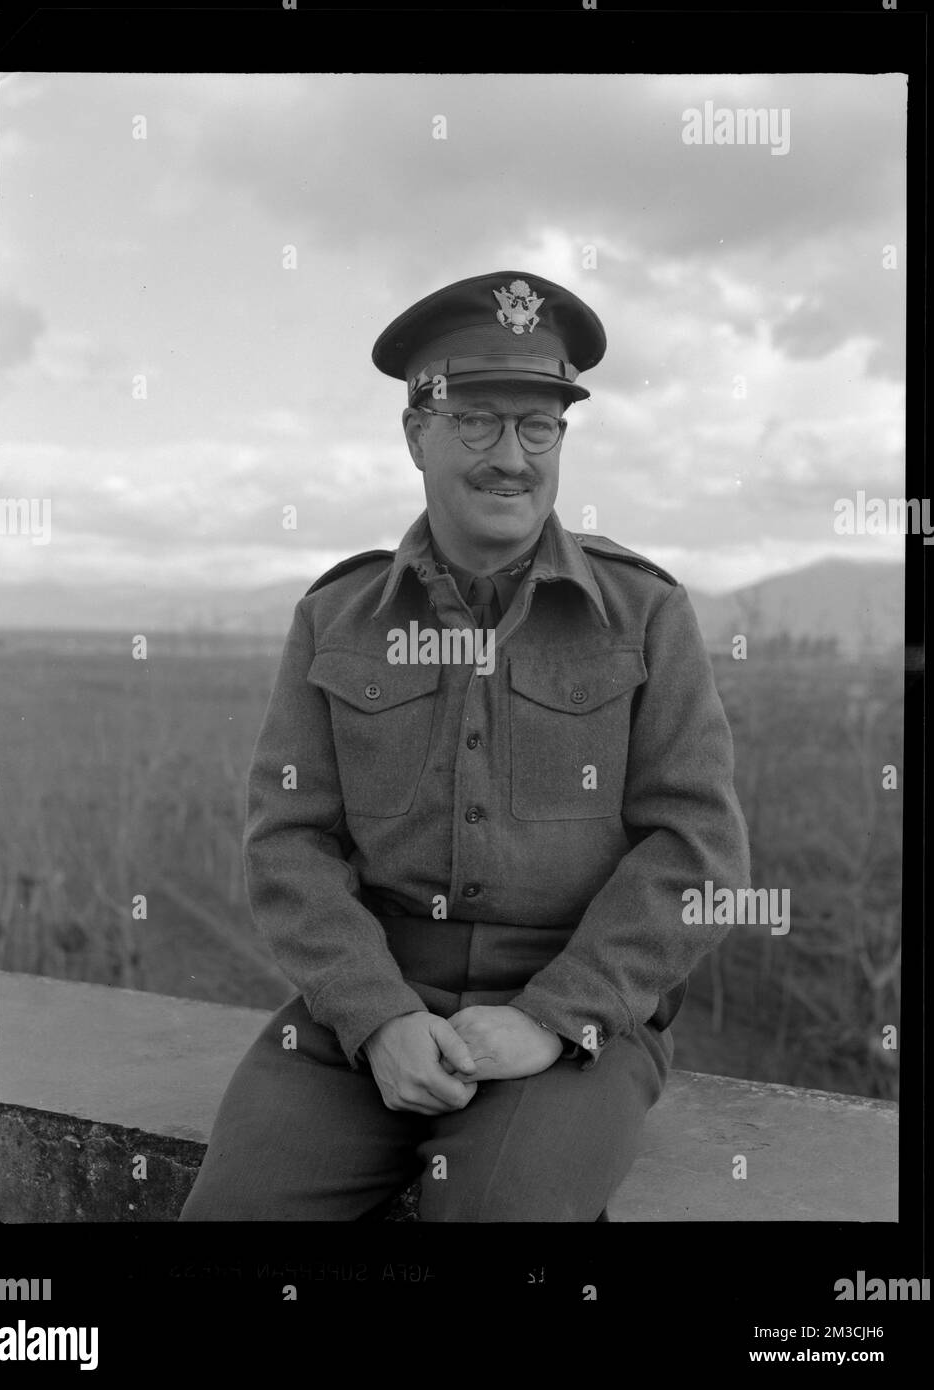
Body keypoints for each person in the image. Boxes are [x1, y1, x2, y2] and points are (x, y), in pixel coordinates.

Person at [179, 270, 750, 1222]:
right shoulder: (336, 615)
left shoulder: (647, 613)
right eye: (478, 421)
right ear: (417, 434)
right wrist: (378, 1015)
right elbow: (289, 841)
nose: (512, 457)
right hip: (363, 1011)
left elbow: (697, 849)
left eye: (539, 427)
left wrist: (552, 1017)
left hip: (574, 1024)